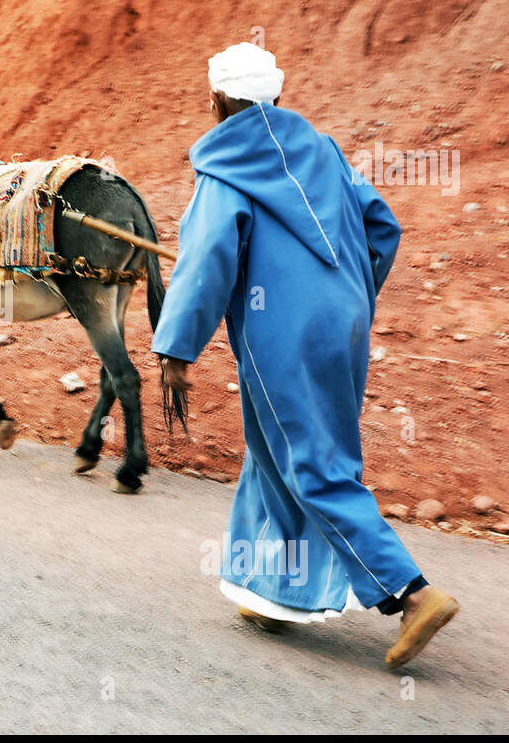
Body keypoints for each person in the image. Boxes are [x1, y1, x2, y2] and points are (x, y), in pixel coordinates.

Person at [153, 42, 459, 669]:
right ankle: (273, 588)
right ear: (278, 96)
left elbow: (207, 260)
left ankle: (412, 594)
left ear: (215, 102)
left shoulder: (224, 172)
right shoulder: (324, 151)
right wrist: (347, 294)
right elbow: (383, 227)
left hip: (282, 335)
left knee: (310, 460)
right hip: (345, 326)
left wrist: (176, 349)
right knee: (274, 448)